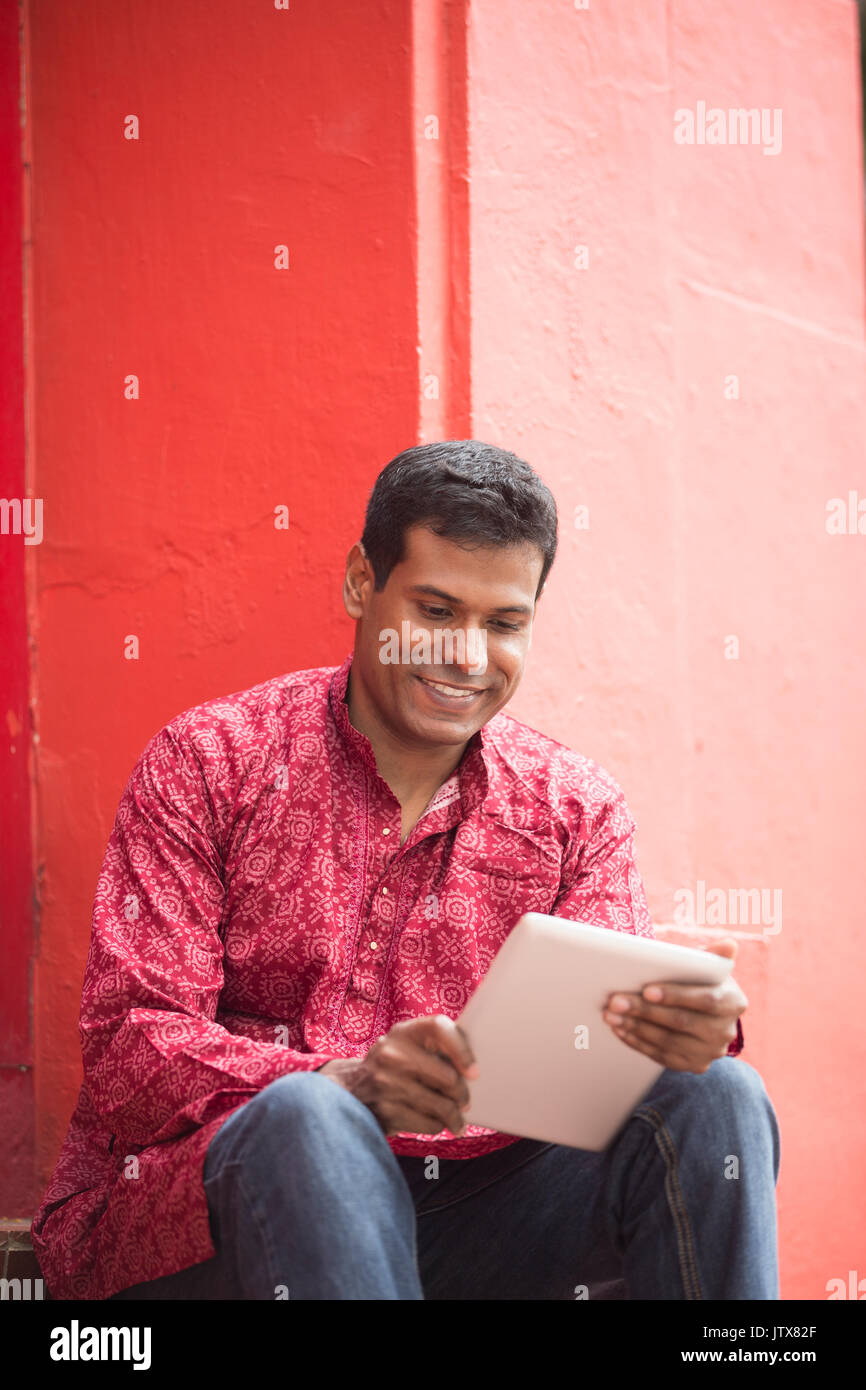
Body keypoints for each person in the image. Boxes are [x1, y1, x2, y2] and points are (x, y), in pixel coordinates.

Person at [31, 440, 779, 1301]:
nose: (467, 655)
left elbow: (595, 1068)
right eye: (435, 609)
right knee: (316, 1121)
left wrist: (666, 1039)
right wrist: (339, 1082)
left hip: (476, 1216)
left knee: (715, 1093)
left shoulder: (576, 807)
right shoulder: (210, 761)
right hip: (217, 1214)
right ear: (361, 583)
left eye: (503, 624)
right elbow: (132, 1052)